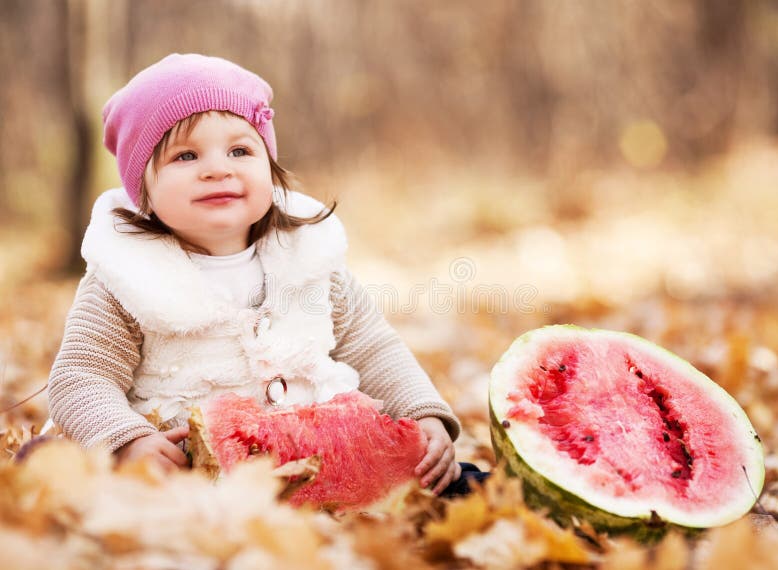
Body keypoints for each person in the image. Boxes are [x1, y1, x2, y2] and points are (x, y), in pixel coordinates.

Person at [47, 53, 488, 496]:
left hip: (319, 462)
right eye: (186, 155)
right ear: (141, 187)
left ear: (270, 168)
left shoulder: (310, 262)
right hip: (189, 478)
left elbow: (373, 347)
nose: (218, 168)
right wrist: (129, 441)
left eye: (240, 150)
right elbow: (80, 378)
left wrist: (423, 412)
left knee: (463, 485)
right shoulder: (126, 280)